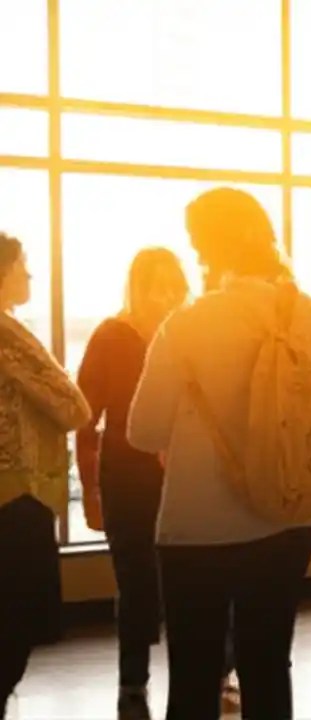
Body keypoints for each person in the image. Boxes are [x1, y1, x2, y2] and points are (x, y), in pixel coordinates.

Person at [127, 188, 311, 720]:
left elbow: (143, 430)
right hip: (291, 516)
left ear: (206, 250)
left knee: (195, 676)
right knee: (269, 664)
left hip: (197, 526)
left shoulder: (187, 324)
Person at [76, 248, 190, 720]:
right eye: (155, 285)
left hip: (181, 479)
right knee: (136, 584)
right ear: (136, 286)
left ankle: (204, 676)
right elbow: (84, 420)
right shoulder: (111, 335)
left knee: (186, 582)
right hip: (124, 479)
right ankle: (132, 685)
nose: (164, 295)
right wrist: (90, 493)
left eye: (172, 285)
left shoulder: (183, 335)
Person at [0, 232, 93, 717]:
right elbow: (73, 405)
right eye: (23, 265)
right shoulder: (7, 333)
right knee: (14, 626)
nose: (30, 276)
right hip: (16, 495)